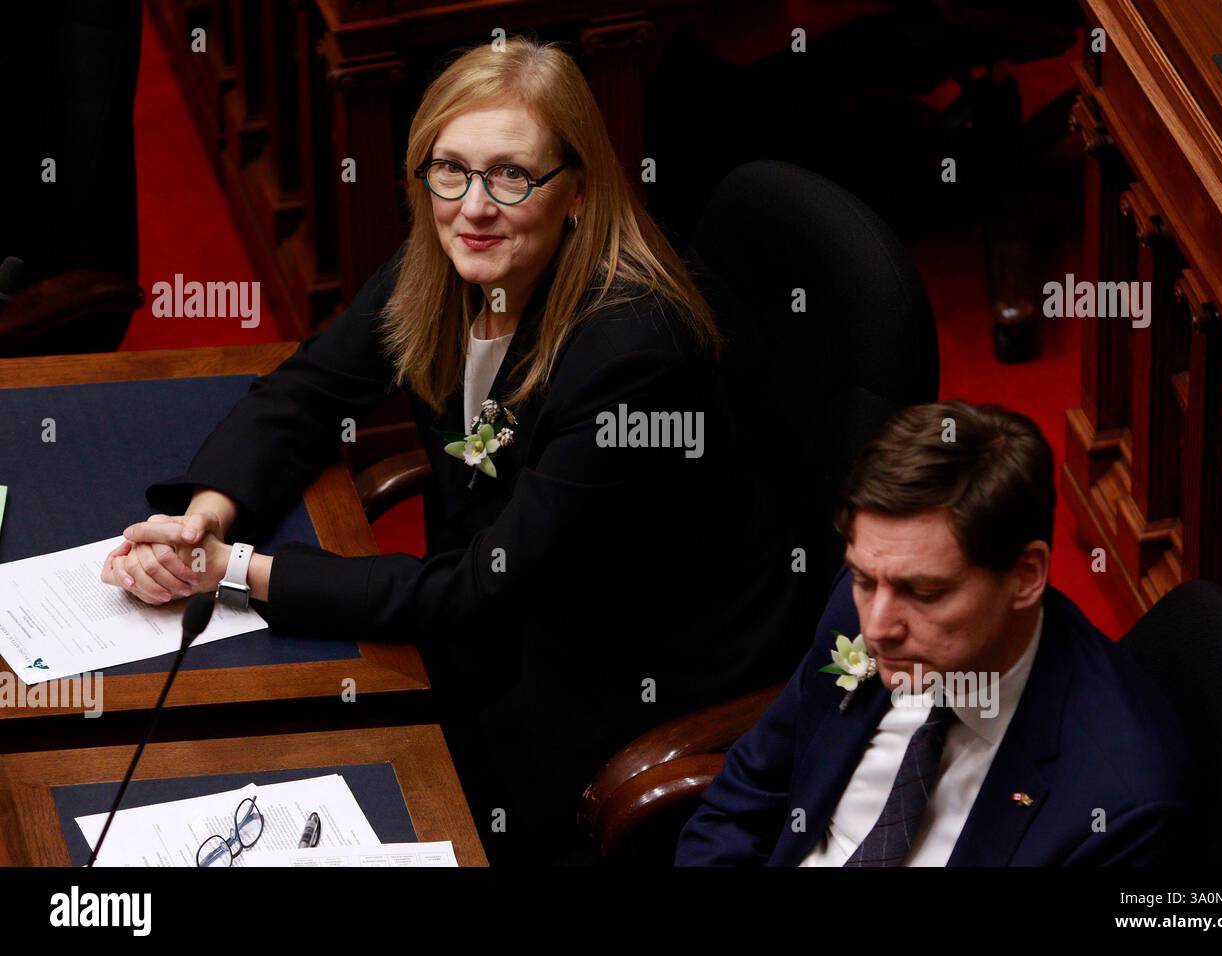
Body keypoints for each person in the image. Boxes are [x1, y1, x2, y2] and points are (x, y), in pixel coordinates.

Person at [100, 37, 796, 864]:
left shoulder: (630, 355)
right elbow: (309, 389)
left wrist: (233, 569)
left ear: (576, 191)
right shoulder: (449, 262)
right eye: (449, 170)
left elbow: (481, 589)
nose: (473, 205)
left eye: (511, 175)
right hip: (494, 612)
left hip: (620, 672)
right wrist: (199, 517)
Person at [677, 400, 1192, 866]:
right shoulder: (862, 604)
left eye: (924, 594)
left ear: (1026, 576)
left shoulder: (1119, 804)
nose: (877, 629)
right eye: (862, 579)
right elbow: (744, 800)